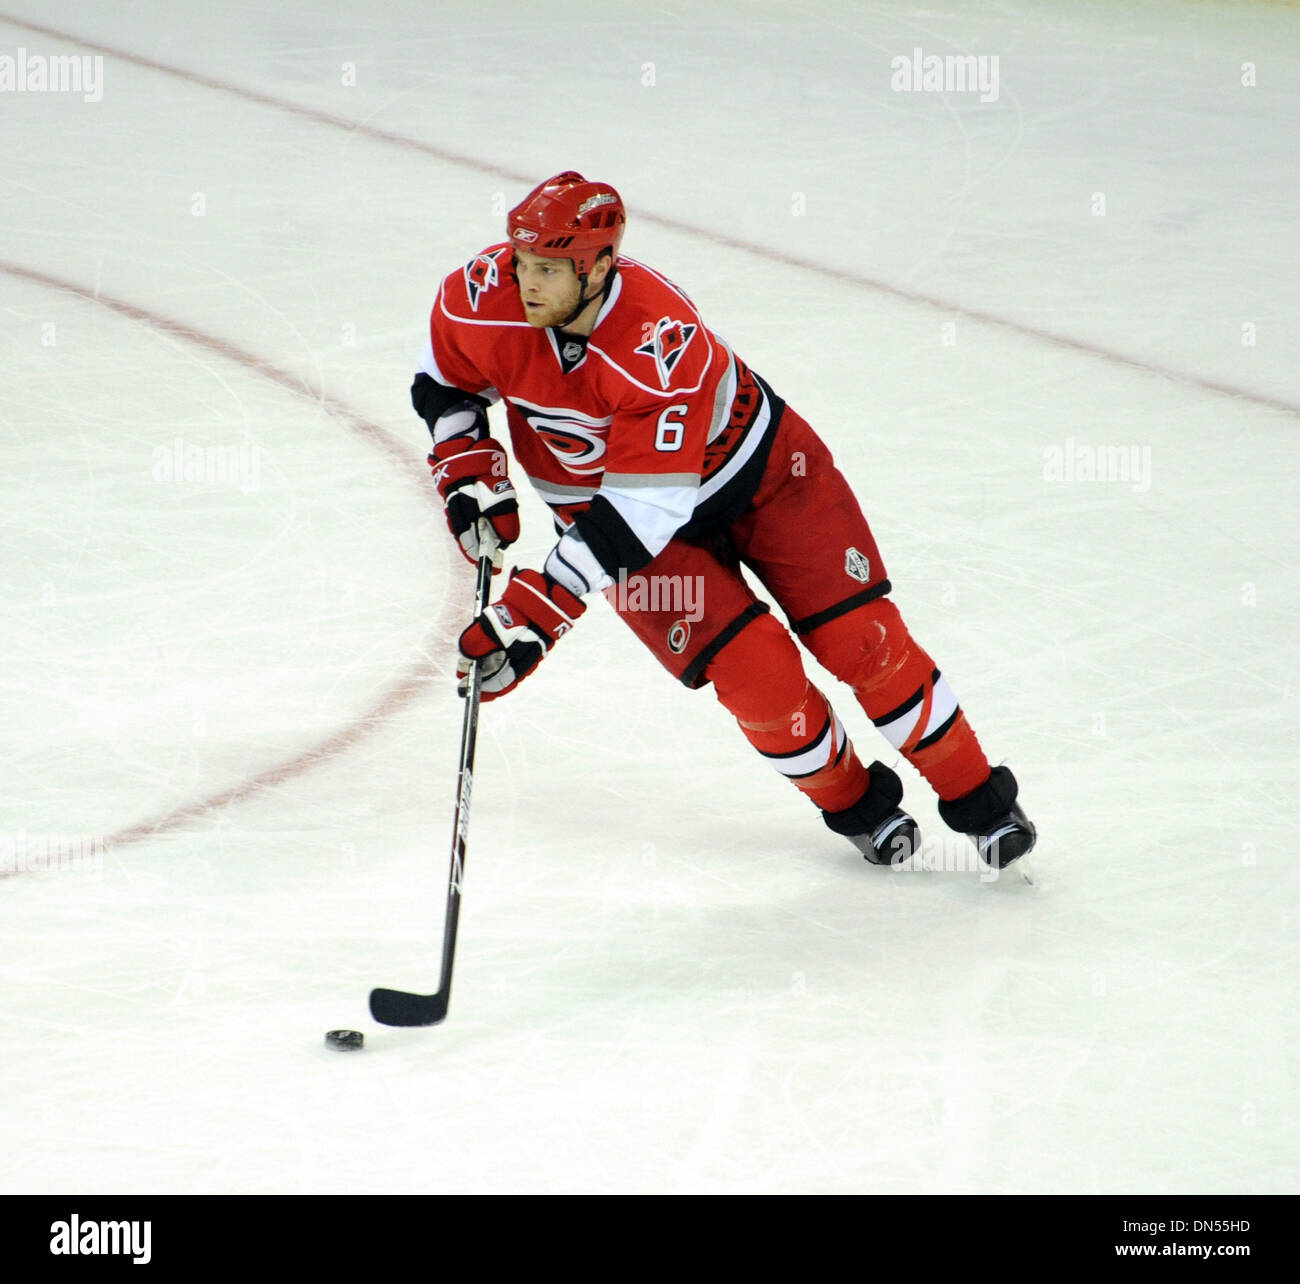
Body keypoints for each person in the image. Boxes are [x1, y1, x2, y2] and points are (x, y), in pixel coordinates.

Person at [412, 172, 1036, 870]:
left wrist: (544, 605)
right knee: (757, 675)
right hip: (616, 526)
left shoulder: (658, 336)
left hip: (763, 480)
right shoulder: (480, 294)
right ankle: (857, 806)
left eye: (549, 270)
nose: (526, 282)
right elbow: (444, 378)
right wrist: (465, 458)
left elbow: (645, 508)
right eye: (523, 262)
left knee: (861, 642)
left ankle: (978, 798)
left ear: (600, 268)